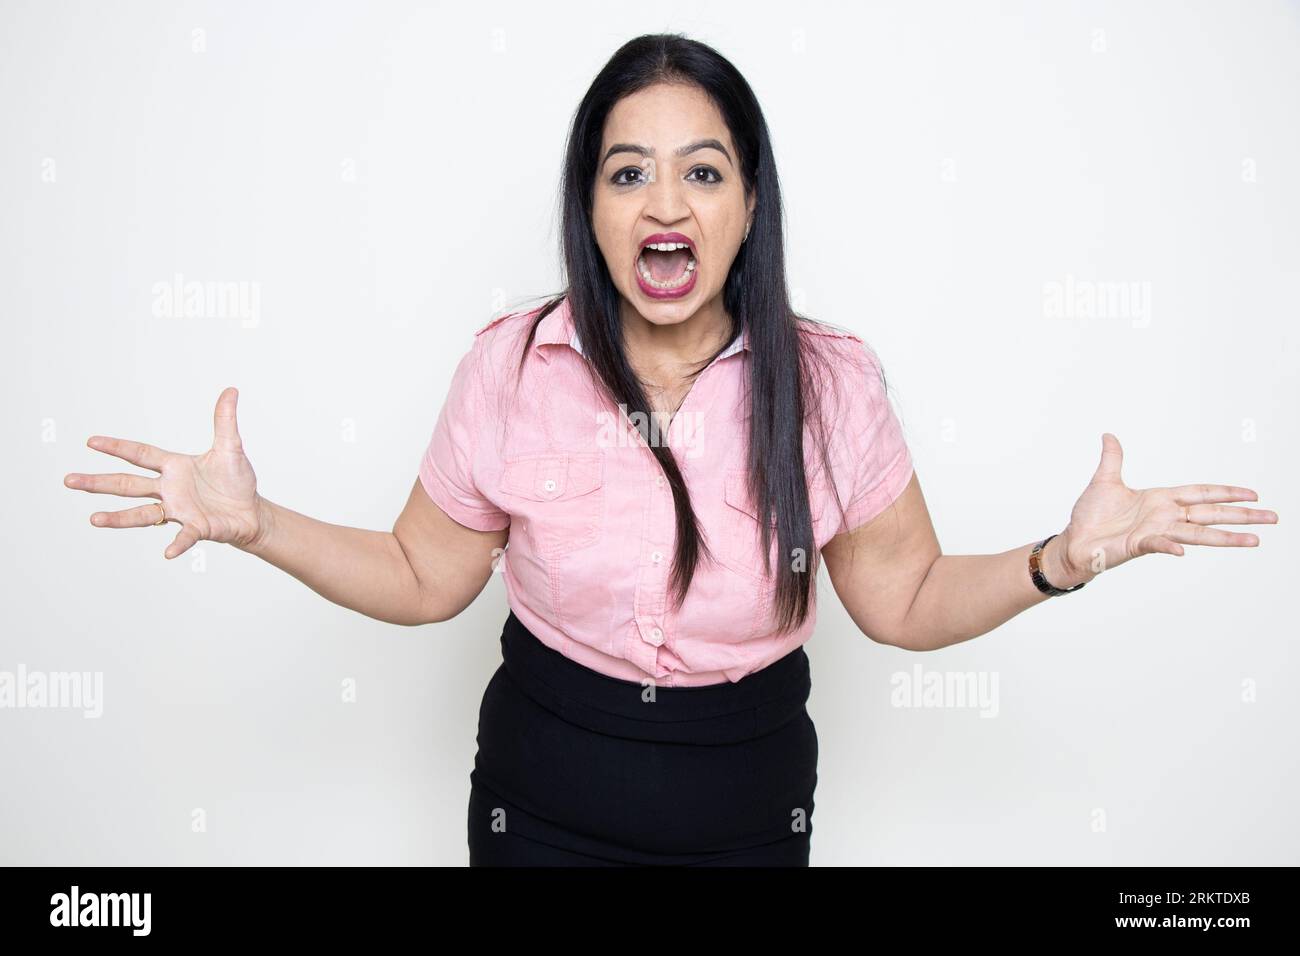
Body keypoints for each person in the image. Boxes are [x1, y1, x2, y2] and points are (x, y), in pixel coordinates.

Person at [63, 34, 1278, 866]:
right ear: (589, 206)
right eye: (626, 171)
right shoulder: (509, 365)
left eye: (703, 171)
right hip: (541, 797)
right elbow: (425, 574)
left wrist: (1057, 559)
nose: (664, 203)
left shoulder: (832, 380)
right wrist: (257, 521)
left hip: (746, 800)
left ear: (750, 203)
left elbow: (901, 598)